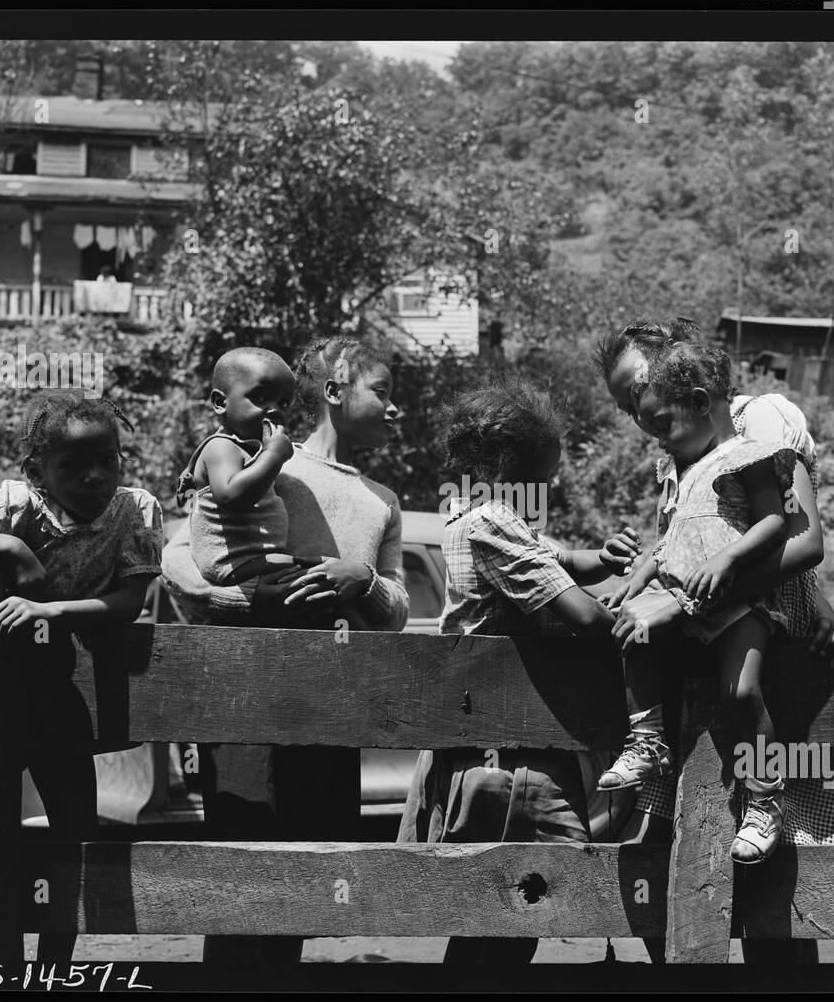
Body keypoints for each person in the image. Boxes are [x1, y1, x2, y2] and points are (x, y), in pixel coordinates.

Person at [595, 316, 834, 963]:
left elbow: (802, 542)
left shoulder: (762, 423)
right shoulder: (678, 450)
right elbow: (688, 545)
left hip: (771, 652)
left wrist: (691, 596)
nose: (637, 414)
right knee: (680, 876)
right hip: (704, 662)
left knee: (779, 900)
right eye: (625, 404)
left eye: (639, 390)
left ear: (680, 370)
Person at [160, 336, 409, 970]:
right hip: (246, 700)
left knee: (304, 883)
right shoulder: (266, 462)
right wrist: (271, 602)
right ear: (334, 393)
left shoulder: (384, 501)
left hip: (330, 705)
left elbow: (398, 612)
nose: (394, 407)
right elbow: (182, 563)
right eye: (382, 392)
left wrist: (365, 581)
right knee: (241, 880)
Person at [0, 390, 163, 963]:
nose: (96, 476)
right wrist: (11, 546)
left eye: (109, 460)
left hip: (66, 699)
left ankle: (54, 969)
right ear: (36, 472)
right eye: (72, 466)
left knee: (73, 832)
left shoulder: (133, 512)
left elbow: (127, 601)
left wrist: (52, 611)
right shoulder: (19, 507)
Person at [397, 378, 639, 963]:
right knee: (515, 906)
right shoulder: (493, 524)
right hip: (502, 749)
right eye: (546, 476)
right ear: (513, 468)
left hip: (493, 736)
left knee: (502, 920)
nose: (551, 486)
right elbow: (581, 613)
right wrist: (640, 621)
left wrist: (600, 562)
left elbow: (557, 561)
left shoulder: (481, 516)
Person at [600, 340, 795, 865]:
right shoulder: (682, 467)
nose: (657, 438)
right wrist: (635, 582)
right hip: (682, 603)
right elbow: (668, 541)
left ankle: (764, 800)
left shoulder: (748, 454)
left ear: (702, 401)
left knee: (742, 692)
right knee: (634, 638)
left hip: (737, 606)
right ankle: (646, 741)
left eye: (663, 423)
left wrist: (729, 559)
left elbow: (776, 521)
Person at [175, 347, 324, 612]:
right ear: (221, 402)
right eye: (260, 397)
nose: (275, 410)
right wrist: (273, 455)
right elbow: (232, 497)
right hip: (232, 562)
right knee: (319, 575)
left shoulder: (247, 450)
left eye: (284, 403)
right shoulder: (221, 447)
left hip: (251, 561)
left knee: (316, 586)